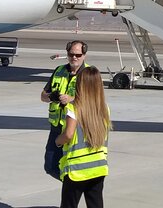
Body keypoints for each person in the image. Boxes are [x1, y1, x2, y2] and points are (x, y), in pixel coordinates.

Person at [55, 66, 111, 208]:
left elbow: (68, 134)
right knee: (96, 204)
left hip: (77, 168)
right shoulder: (104, 108)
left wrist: (58, 141)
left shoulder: (73, 108)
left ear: (80, 85)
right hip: (98, 166)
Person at [42, 40, 91, 179]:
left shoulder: (89, 74)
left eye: (78, 55)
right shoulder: (59, 71)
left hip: (77, 130)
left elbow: (94, 101)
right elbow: (43, 96)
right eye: (71, 54)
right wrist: (51, 96)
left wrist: (71, 99)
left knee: (74, 167)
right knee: (51, 166)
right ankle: (72, 188)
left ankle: (74, 189)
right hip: (57, 128)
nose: (74, 57)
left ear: (84, 55)